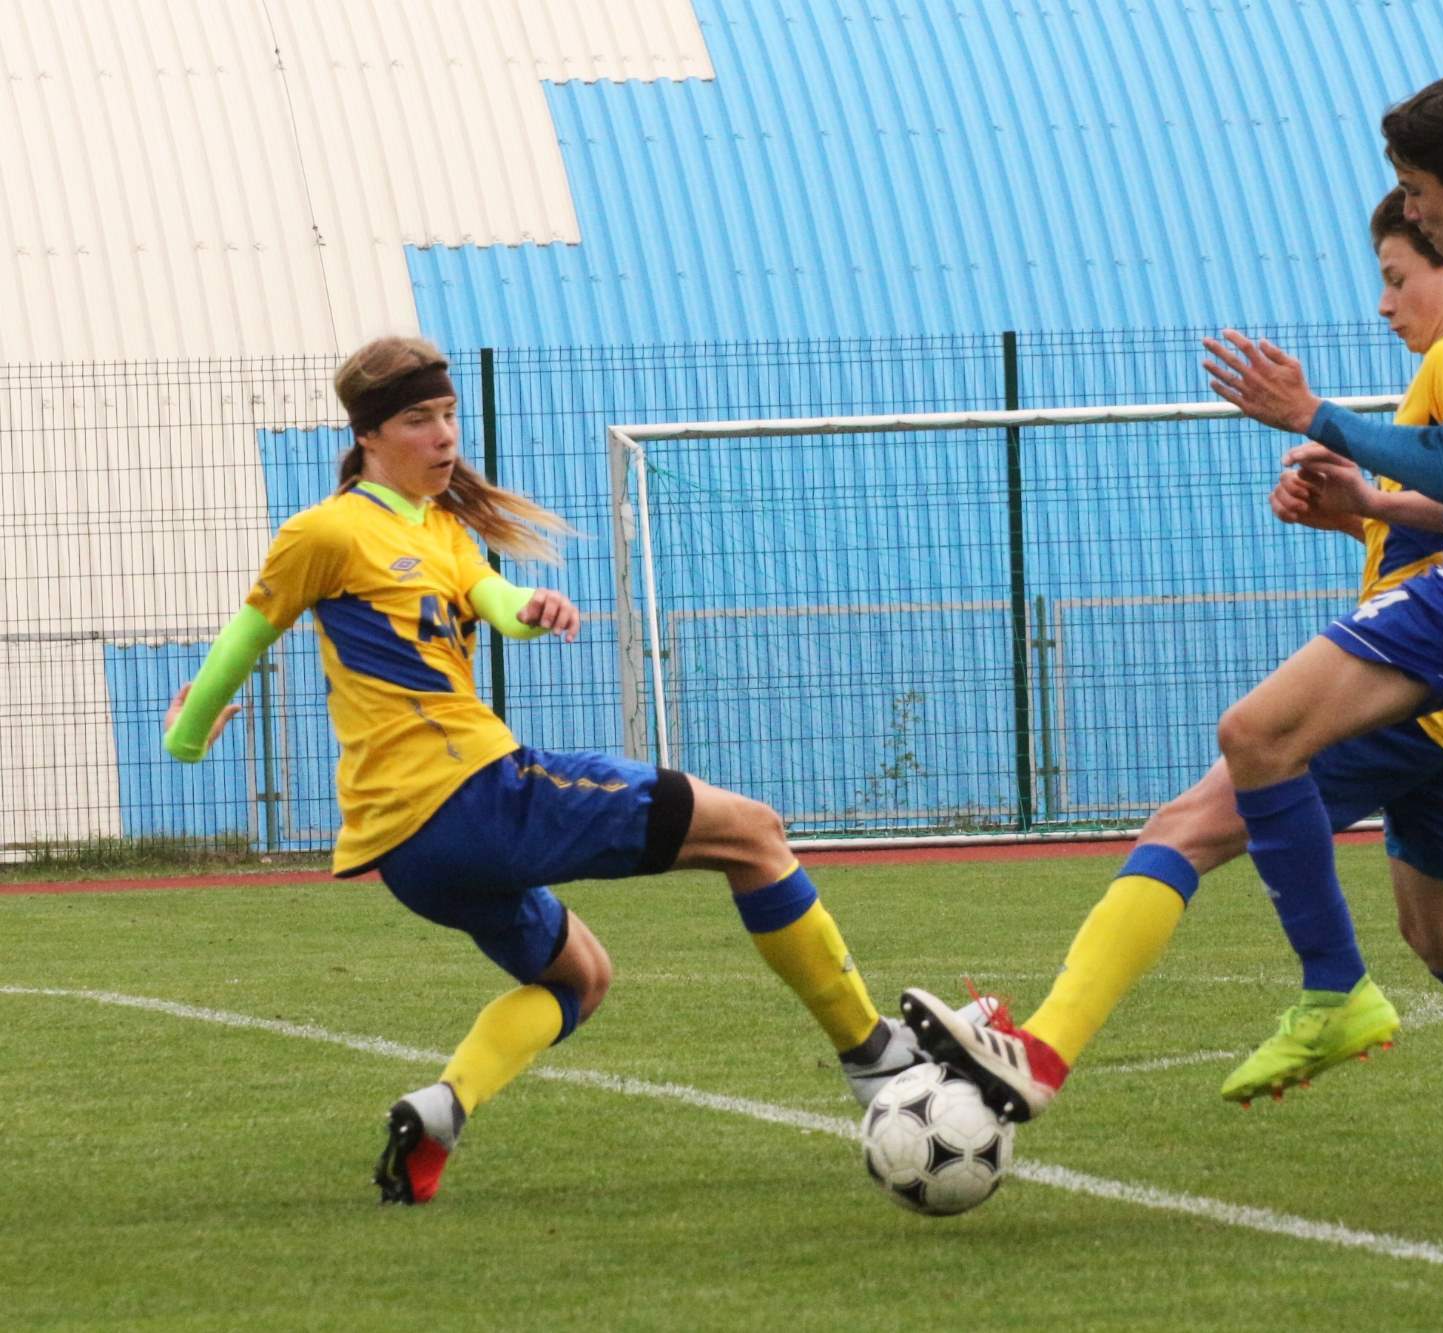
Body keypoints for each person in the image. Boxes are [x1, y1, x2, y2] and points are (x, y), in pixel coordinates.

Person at [916, 73, 1443, 1205]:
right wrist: (1369, 504)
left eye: (1418, 197)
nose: (1408, 216)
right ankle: (1335, 989)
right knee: (1257, 734)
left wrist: (1310, 414)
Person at [162, 336, 928, 1205]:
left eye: (449, 415)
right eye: (420, 419)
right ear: (369, 435)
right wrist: (187, 737)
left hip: (413, 855)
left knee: (580, 978)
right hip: (475, 799)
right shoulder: (328, 529)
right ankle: (874, 1056)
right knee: (754, 833)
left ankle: (442, 1108)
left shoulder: (443, 531)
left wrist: (531, 608)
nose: (445, 435)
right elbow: (245, 637)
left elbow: (494, 602)